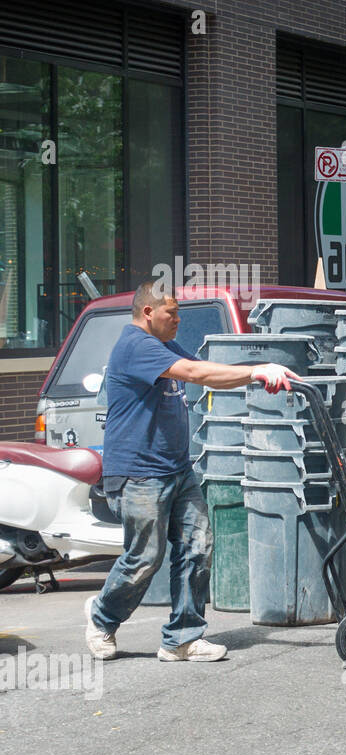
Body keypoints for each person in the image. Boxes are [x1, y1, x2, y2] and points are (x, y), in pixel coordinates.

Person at [84, 279, 301, 662]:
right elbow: (195, 375)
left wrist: (259, 372)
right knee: (145, 558)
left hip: (175, 469)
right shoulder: (136, 346)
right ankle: (102, 617)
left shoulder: (162, 344)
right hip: (138, 473)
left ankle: (182, 638)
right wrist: (256, 372)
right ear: (148, 312)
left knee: (197, 546)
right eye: (172, 312)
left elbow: (202, 367)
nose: (178, 320)